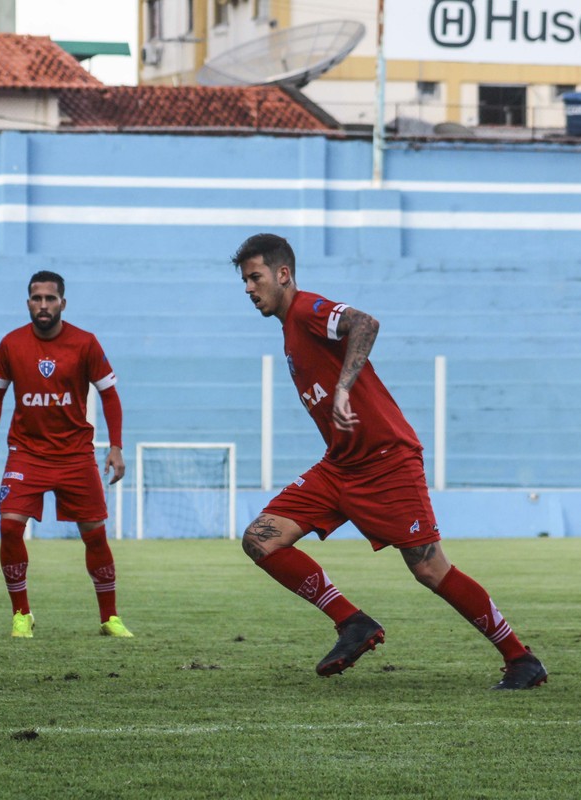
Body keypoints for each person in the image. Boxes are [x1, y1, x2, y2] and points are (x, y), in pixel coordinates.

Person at [232, 233, 546, 690]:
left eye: (255, 277)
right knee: (261, 539)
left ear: (283, 274)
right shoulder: (288, 329)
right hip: (340, 466)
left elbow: (365, 323)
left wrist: (343, 386)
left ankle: (521, 659)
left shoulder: (307, 309)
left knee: (429, 569)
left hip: (386, 461)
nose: (248, 288)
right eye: (244, 280)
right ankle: (352, 623)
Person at [0, 270, 133, 639]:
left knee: (95, 535)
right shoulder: (11, 344)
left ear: (63, 302)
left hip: (75, 454)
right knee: (9, 526)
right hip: (26, 453)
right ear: (28, 303)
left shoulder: (85, 343)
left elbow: (109, 395)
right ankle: (22, 614)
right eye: (37, 298)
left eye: (51, 299)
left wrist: (115, 447)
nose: (44, 305)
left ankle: (109, 618)